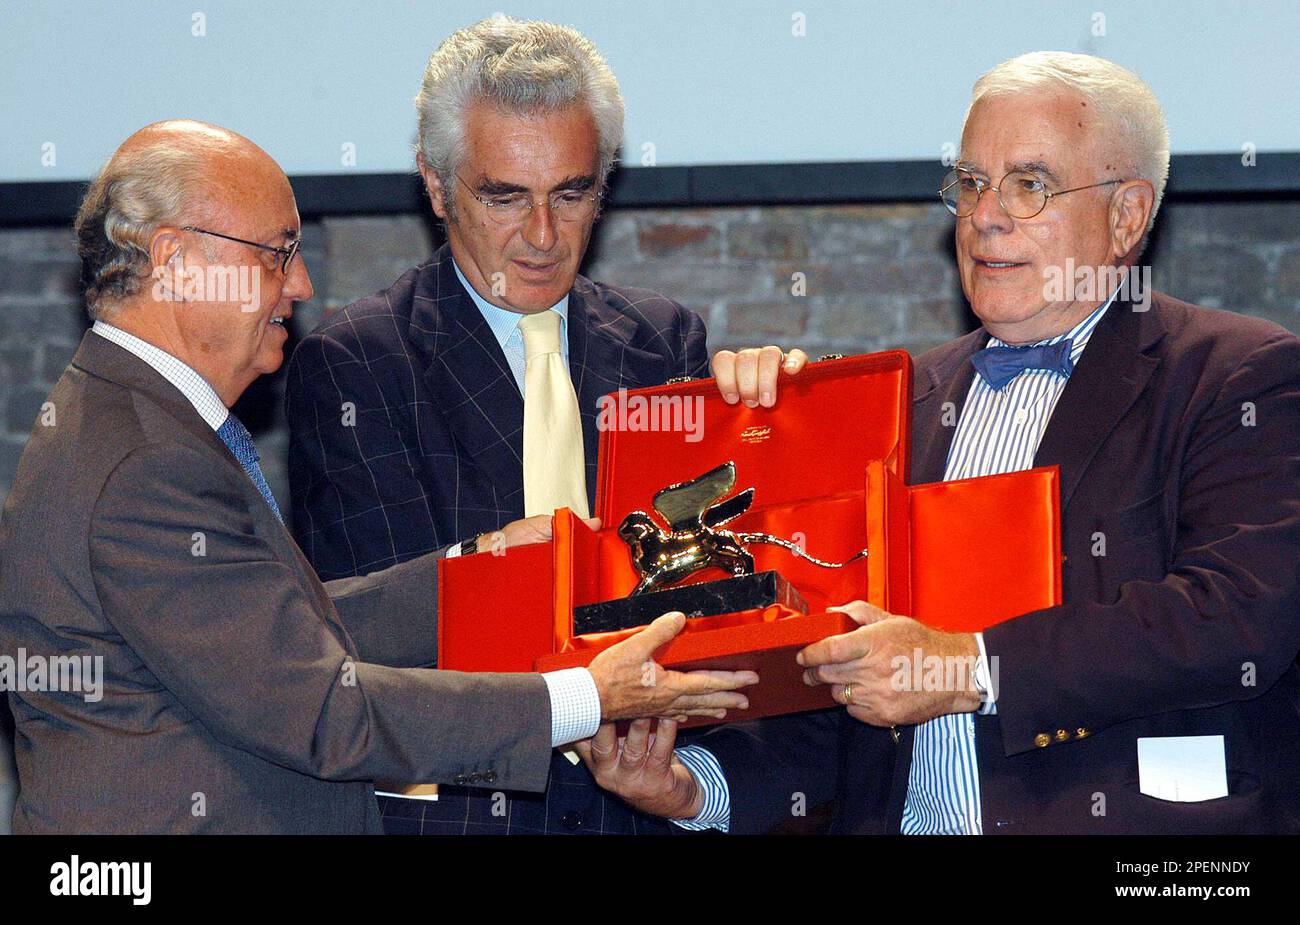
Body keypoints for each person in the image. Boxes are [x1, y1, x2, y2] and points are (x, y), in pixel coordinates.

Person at [579, 51, 1300, 835]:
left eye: (1030, 184)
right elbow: (833, 674)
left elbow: (1233, 617)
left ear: (1127, 214)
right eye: (970, 182)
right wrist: (694, 786)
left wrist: (966, 667)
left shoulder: (1237, 375)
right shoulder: (893, 403)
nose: (986, 214)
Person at [0, 119, 756, 834]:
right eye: (276, 252)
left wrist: (478, 565)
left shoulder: (132, 419)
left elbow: (275, 638)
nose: (298, 285)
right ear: (173, 261)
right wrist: (586, 695)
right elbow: (323, 708)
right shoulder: (149, 461)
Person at [283, 17, 758, 834]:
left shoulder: (663, 341)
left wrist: (771, 423)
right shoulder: (357, 364)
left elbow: (710, 594)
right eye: (504, 196)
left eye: (571, 193)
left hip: (641, 808)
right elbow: (387, 647)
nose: (543, 236)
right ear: (436, 187)